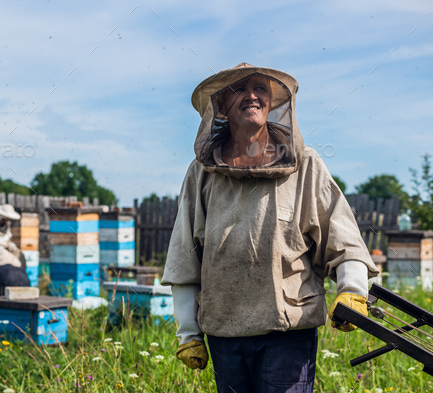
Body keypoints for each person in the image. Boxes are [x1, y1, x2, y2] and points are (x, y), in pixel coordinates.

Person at [161, 63, 379, 393]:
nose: (252, 96)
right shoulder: (201, 174)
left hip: (288, 334)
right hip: (226, 334)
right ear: (220, 106)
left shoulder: (305, 164)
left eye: (260, 89)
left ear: (273, 104)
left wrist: (352, 290)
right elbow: (184, 256)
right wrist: (189, 332)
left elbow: (342, 236)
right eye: (239, 89)